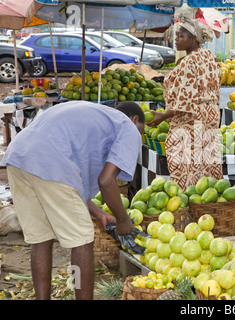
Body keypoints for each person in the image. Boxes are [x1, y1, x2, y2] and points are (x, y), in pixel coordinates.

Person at [0, 100, 145, 300]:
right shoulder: (127, 126)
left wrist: (100, 213)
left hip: (18, 157)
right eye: (141, 131)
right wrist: (123, 221)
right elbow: (106, 180)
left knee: (40, 238)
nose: (139, 137)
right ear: (134, 119)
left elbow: (71, 187)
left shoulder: (94, 117)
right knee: (82, 241)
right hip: (50, 162)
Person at [147, 16, 223, 191]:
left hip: (192, 119)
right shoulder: (210, 56)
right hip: (210, 116)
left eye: (181, 36)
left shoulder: (189, 61)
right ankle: (208, 200)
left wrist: (162, 116)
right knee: (206, 159)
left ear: (193, 39)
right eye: (176, 36)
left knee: (187, 163)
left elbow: (185, 101)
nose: (176, 40)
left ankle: (189, 200)